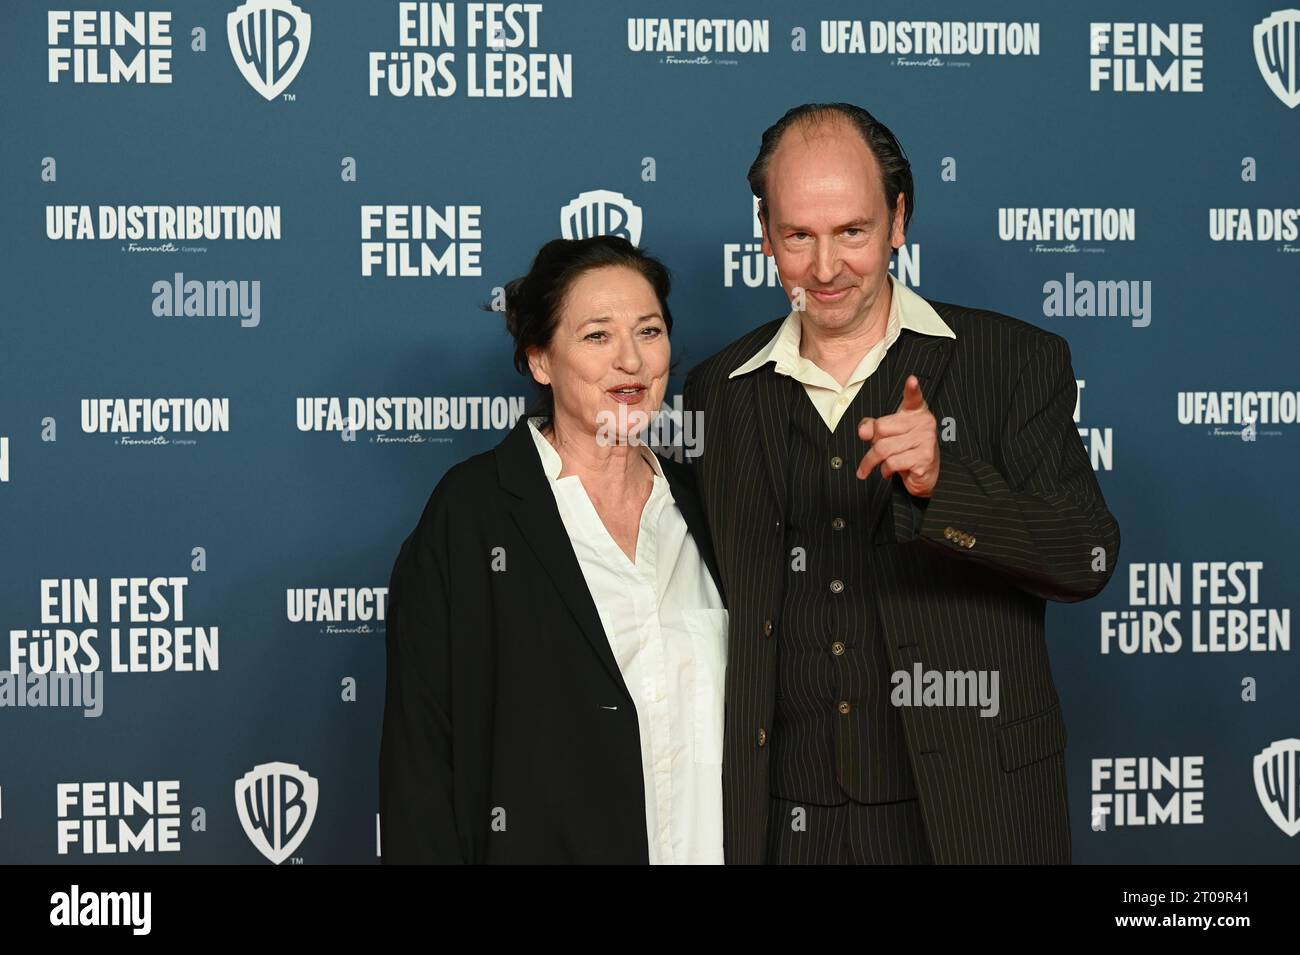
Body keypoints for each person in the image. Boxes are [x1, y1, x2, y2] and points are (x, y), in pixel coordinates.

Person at [683, 103, 1121, 864]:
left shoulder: (1012, 361)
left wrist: (948, 483)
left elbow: (1086, 556)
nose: (824, 269)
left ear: (898, 220)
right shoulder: (716, 392)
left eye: (851, 231)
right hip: (782, 823)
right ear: (765, 235)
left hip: (971, 814)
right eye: (798, 236)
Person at [379, 235, 727, 864]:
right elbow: (419, 762)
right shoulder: (473, 514)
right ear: (540, 359)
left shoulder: (706, 508)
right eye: (597, 336)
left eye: (649, 332)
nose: (630, 361)